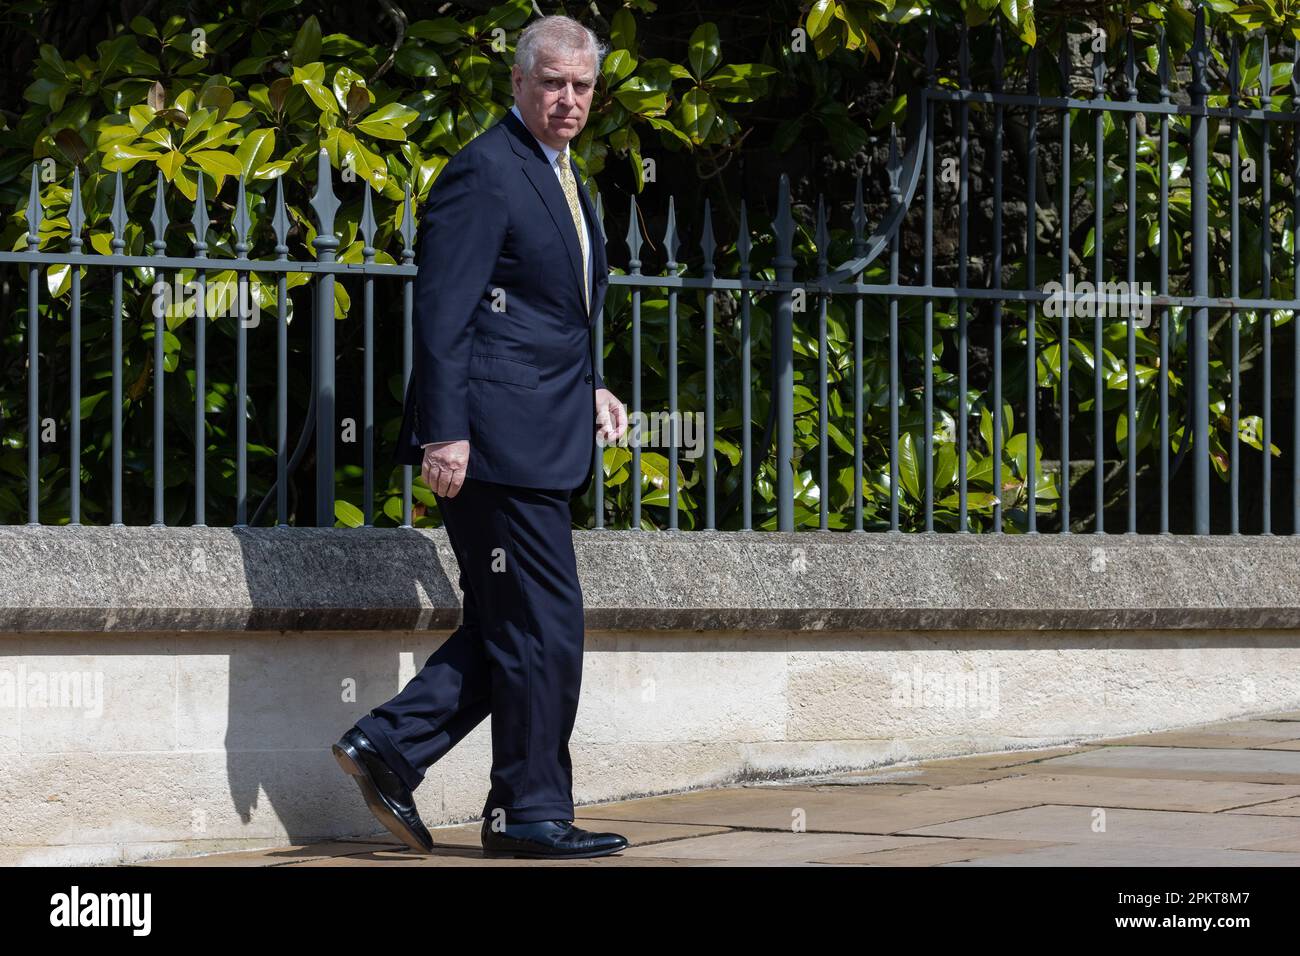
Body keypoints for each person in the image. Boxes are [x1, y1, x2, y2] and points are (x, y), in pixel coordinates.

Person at [333, 14, 630, 860]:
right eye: (553, 84)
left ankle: (397, 750)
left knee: (518, 626)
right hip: (494, 443)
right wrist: (444, 434)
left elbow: (553, 312)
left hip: (543, 428)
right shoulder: (485, 172)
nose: (568, 100)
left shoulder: (562, 175)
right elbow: (443, 313)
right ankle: (529, 811)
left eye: (581, 87)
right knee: (546, 627)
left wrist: (593, 382)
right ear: (518, 83)